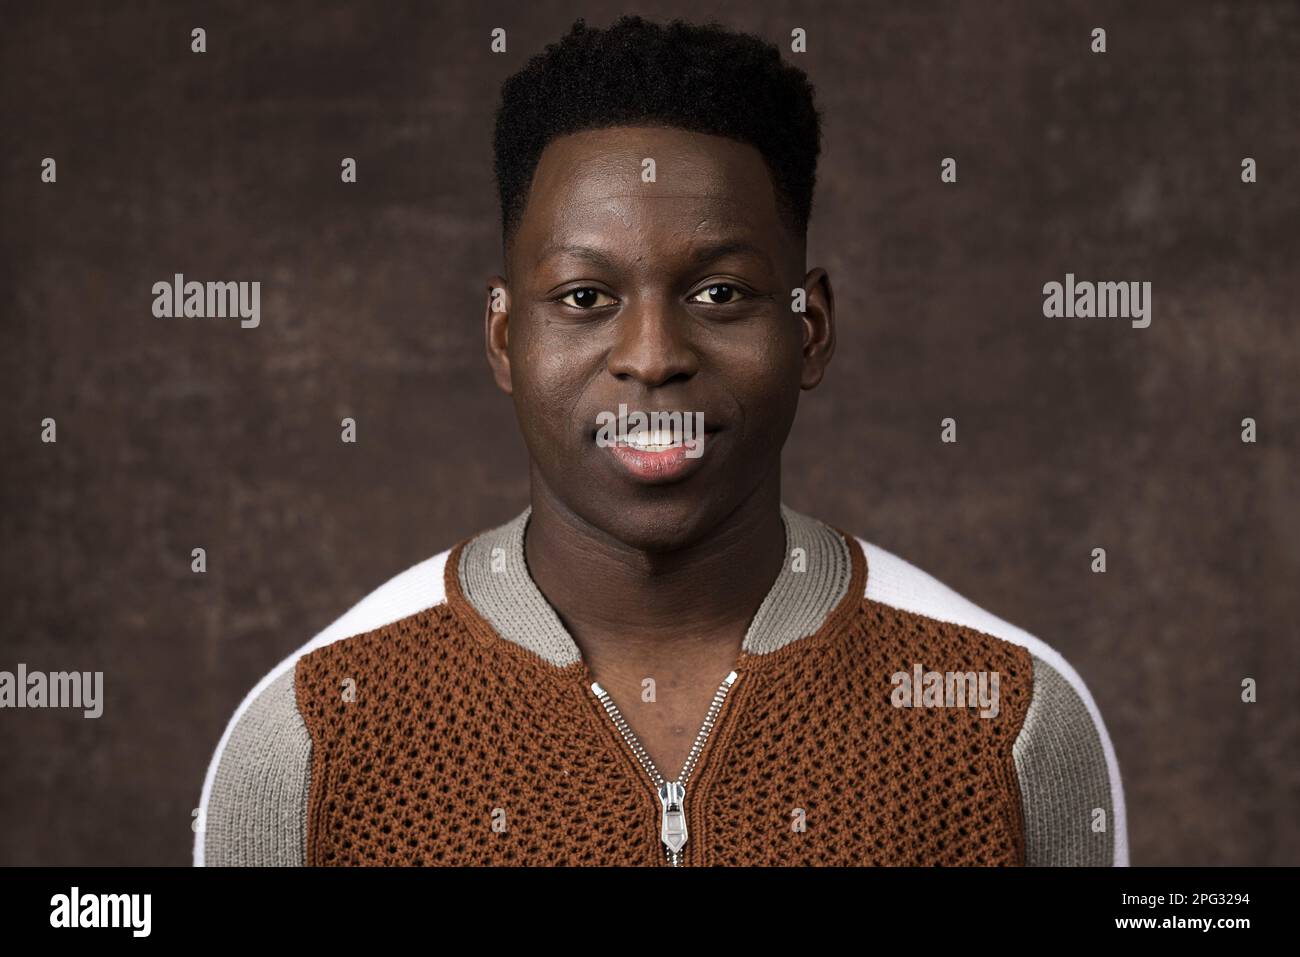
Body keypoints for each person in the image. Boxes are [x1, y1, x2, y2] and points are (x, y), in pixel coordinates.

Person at [195, 14, 1126, 866]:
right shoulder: (316, 731)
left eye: (720, 293)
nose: (652, 357)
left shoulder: (1004, 712)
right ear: (503, 336)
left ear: (811, 330)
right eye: (585, 298)